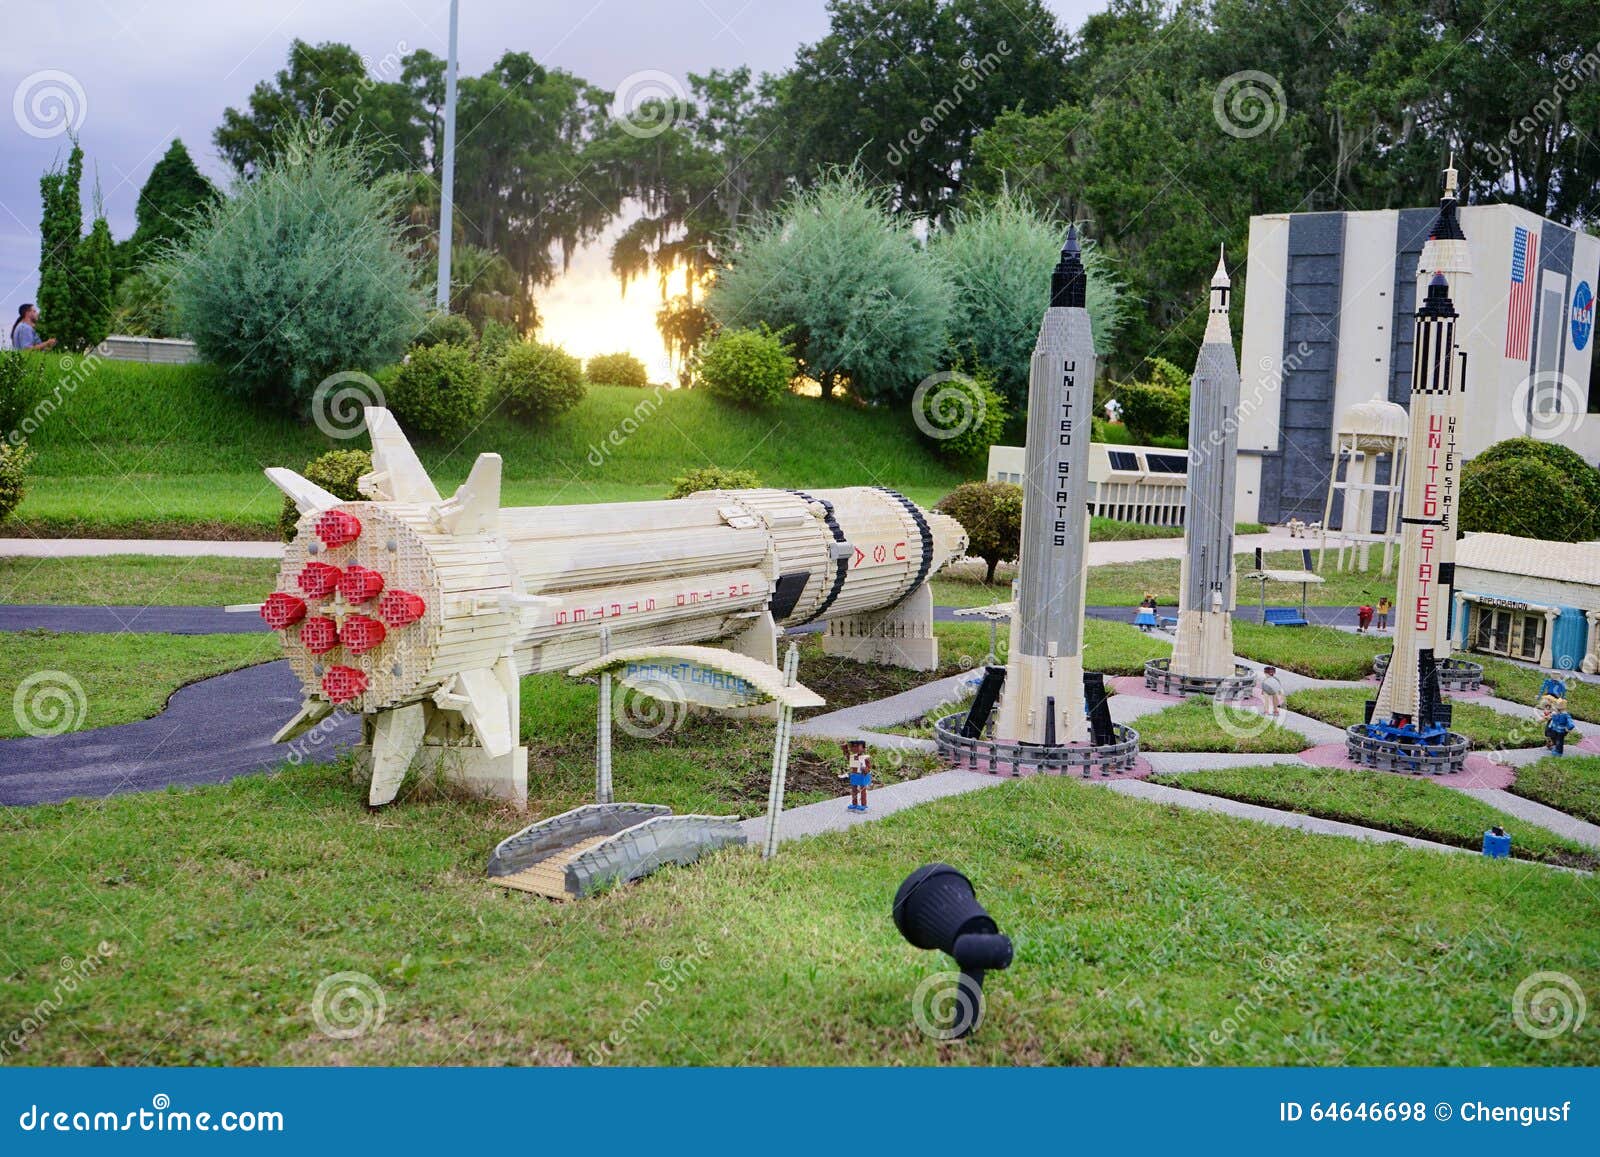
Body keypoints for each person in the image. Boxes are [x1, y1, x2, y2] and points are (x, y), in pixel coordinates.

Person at [842, 739, 872, 812]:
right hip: (854, 775)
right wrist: (845, 749)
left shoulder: (865, 758)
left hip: (862, 775)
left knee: (863, 790)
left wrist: (865, 769)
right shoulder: (853, 757)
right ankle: (854, 804)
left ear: (863, 748)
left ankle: (863, 805)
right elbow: (848, 757)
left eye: (857, 746)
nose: (854, 748)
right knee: (854, 790)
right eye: (852, 746)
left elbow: (869, 767)